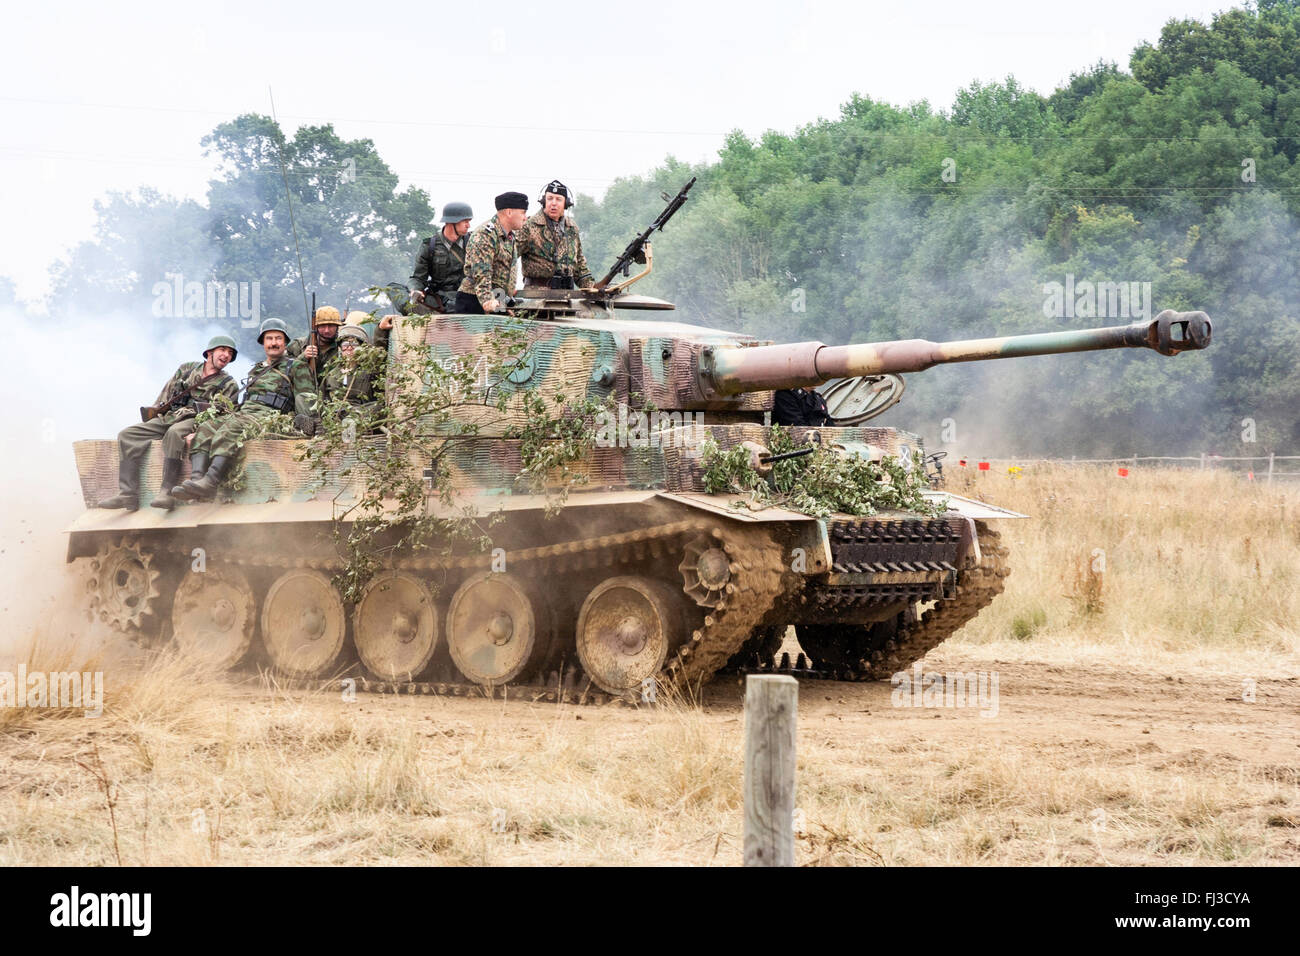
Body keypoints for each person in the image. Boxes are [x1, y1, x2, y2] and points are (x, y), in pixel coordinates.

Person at [172, 317, 317, 502]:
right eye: (269, 338)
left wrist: (307, 421)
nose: (274, 343)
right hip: (246, 412)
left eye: (278, 338)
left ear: (285, 342)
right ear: (263, 343)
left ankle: (211, 481)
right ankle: (197, 481)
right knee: (207, 427)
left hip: (271, 416)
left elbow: (306, 396)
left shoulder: (295, 366)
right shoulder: (256, 370)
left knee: (231, 428)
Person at [96, 335, 241, 512]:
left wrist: (200, 431)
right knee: (128, 435)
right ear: (210, 352)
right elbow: (167, 393)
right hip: (171, 415)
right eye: (222, 350)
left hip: (195, 420)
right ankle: (128, 494)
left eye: (230, 353)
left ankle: (166, 492)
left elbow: (224, 414)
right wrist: (156, 412)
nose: (226, 355)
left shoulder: (229, 383)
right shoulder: (187, 369)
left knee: (174, 433)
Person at [454, 191, 529, 314]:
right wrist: (487, 301)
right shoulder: (485, 235)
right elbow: (482, 273)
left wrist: (503, 305)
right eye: (523, 212)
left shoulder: (509, 236)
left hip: (496, 299)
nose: (525, 218)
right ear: (509, 212)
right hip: (474, 302)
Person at [515, 180, 593, 290]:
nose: (553, 203)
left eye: (558, 199)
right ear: (544, 201)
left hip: (567, 297)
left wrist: (592, 289)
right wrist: (507, 287)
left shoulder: (572, 228)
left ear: (566, 203)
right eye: (550, 198)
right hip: (536, 296)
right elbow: (510, 257)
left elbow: (579, 265)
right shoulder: (529, 226)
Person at [318, 316, 393, 423]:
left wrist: (380, 329)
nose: (349, 348)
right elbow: (322, 400)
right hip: (337, 415)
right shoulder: (331, 375)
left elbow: (379, 351)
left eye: (354, 344)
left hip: (362, 414)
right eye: (345, 345)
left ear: (362, 348)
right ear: (340, 348)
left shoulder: (369, 370)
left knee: (379, 407)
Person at [409, 202, 473, 312]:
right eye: (465, 221)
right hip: (439, 297)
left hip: (466, 295)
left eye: (469, 221)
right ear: (451, 222)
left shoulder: (473, 243)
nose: (468, 225)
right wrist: (415, 290)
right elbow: (419, 277)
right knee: (396, 290)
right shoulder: (430, 246)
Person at [287, 305, 342, 380]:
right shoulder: (297, 345)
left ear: (337, 327)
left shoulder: (342, 348)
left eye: (331, 326)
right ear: (316, 327)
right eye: (322, 326)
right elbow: (285, 372)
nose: (327, 330)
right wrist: (303, 357)